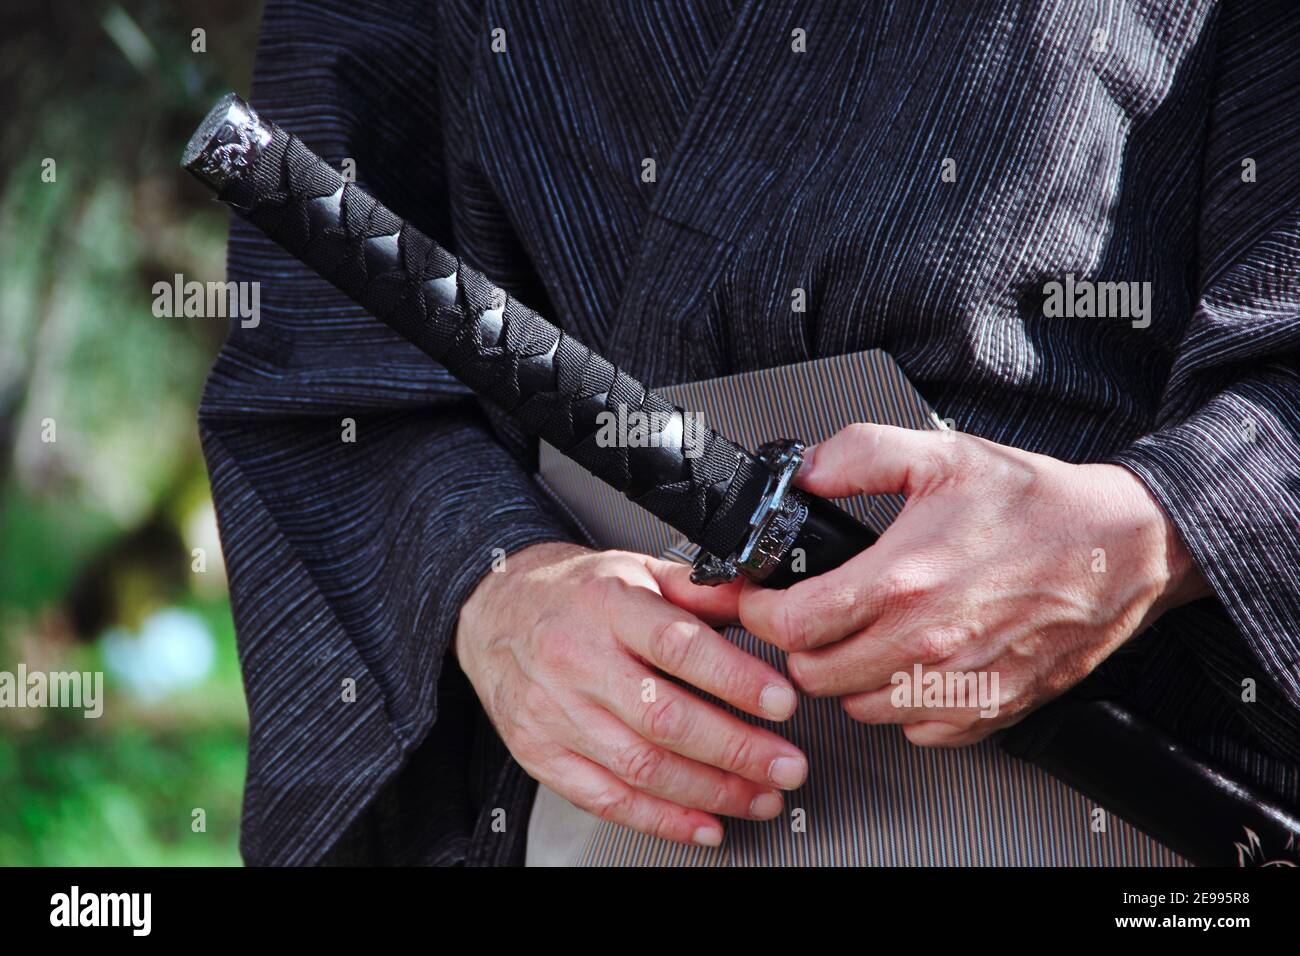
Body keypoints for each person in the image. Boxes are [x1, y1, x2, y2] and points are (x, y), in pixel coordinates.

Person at [200, 0, 1300, 865]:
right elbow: (324, 341)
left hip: (1121, 772)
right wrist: (494, 589)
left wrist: (1155, 529)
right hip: (609, 770)